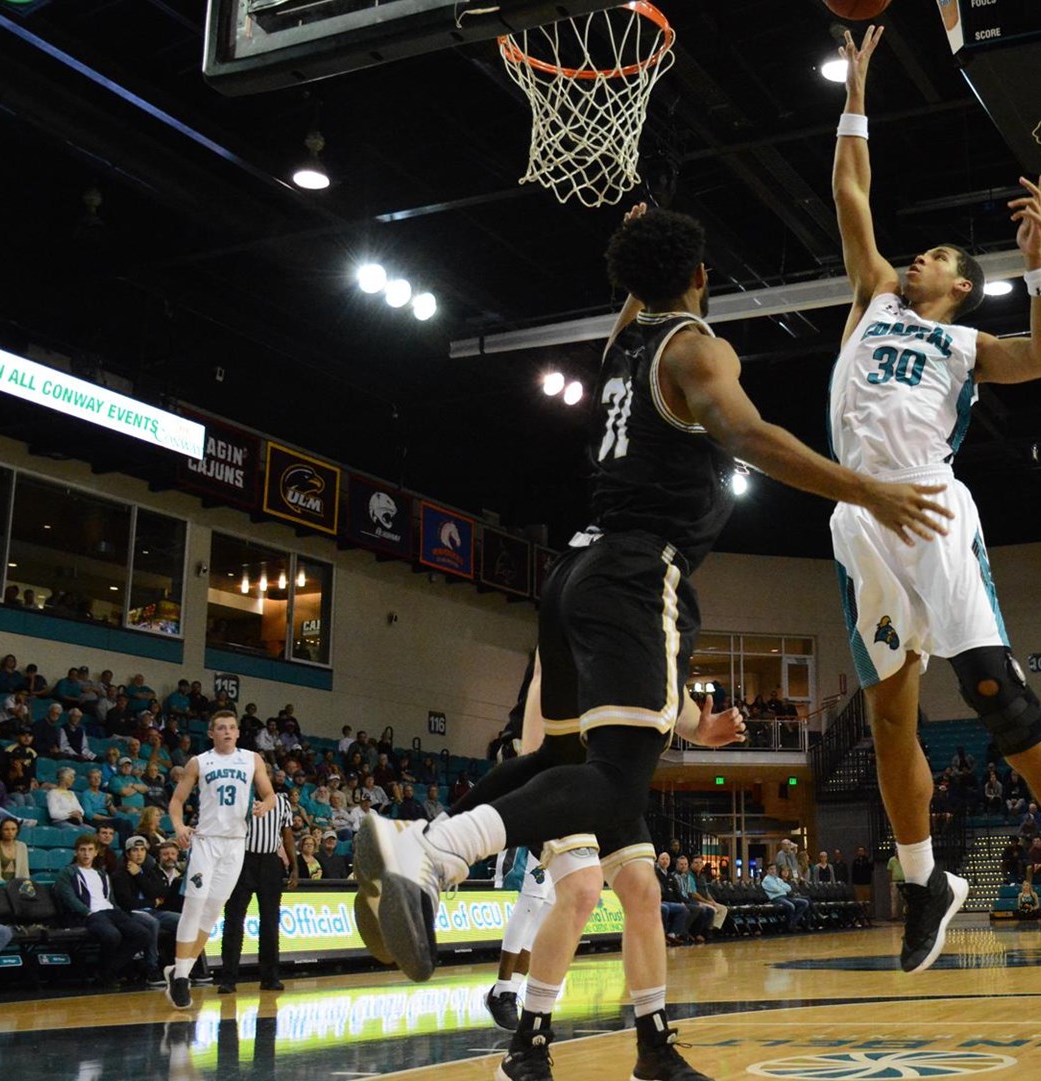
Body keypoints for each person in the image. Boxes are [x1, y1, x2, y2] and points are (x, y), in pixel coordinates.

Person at [350, 201, 943, 1081]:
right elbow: (748, 434)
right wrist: (863, 489)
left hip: (580, 570)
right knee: (612, 782)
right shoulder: (695, 348)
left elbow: (638, 297)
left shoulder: (620, 345)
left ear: (632, 285)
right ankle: (435, 851)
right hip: (634, 568)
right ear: (700, 278)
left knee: (589, 796)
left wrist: (642, 254)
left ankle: (639, 1034)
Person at [825, 28, 1041, 977]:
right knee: (889, 717)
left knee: (989, 687)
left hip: (932, 510)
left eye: (936, 255)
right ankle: (925, 881)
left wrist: (1040, 264)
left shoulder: (968, 345)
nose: (916, 258)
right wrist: (855, 91)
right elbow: (851, 193)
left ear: (964, 287)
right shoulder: (871, 295)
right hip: (858, 516)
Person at [163, 710, 277, 1008]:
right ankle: (181, 978)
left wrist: (265, 804)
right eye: (221, 728)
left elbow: (270, 794)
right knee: (195, 905)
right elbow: (176, 801)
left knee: (213, 912)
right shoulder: (198, 762)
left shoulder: (252, 759)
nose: (227, 732)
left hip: (236, 844)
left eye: (232, 727)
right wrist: (178, 827)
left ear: (238, 733)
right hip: (205, 842)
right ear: (211, 733)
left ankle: (180, 971)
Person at [54, 832, 161, 988]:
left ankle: (106, 972)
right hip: (90, 914)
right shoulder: (67, 872)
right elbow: (69, 898)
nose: (86, 853)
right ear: (76, 852)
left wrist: (117, 911)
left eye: (90, 850)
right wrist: (87, 912)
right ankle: (107, 974)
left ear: (96, 852)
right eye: (83, 850)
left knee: (143, 935)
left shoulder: (101, 873)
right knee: (112, 935)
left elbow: (110, 898)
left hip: (111, 911)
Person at [221, 791, 293, 994]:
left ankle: (270, 977)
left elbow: (287, 834)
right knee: (234, 920)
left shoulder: (281, 802)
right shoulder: (241, 796)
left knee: (270, 921)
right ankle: (228, 978)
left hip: (270, 861)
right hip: (242, 860)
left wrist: (293, 865)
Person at [486, 846, 554, 1032]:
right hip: (536, 832)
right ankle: (502, 989)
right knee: (532, 899)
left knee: (551, 905)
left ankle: (511, 989)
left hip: (565, 835)